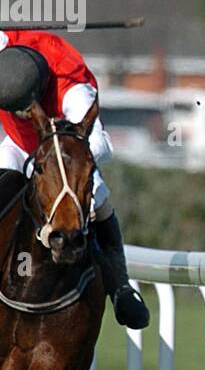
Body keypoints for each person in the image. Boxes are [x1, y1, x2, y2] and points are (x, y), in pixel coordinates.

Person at [0, 30, 150, 329]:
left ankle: (120, 288)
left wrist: (59, 157)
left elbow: (101, 147)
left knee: (98, 199)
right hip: (20, 142)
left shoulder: (72, 86)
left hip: (67, 156)